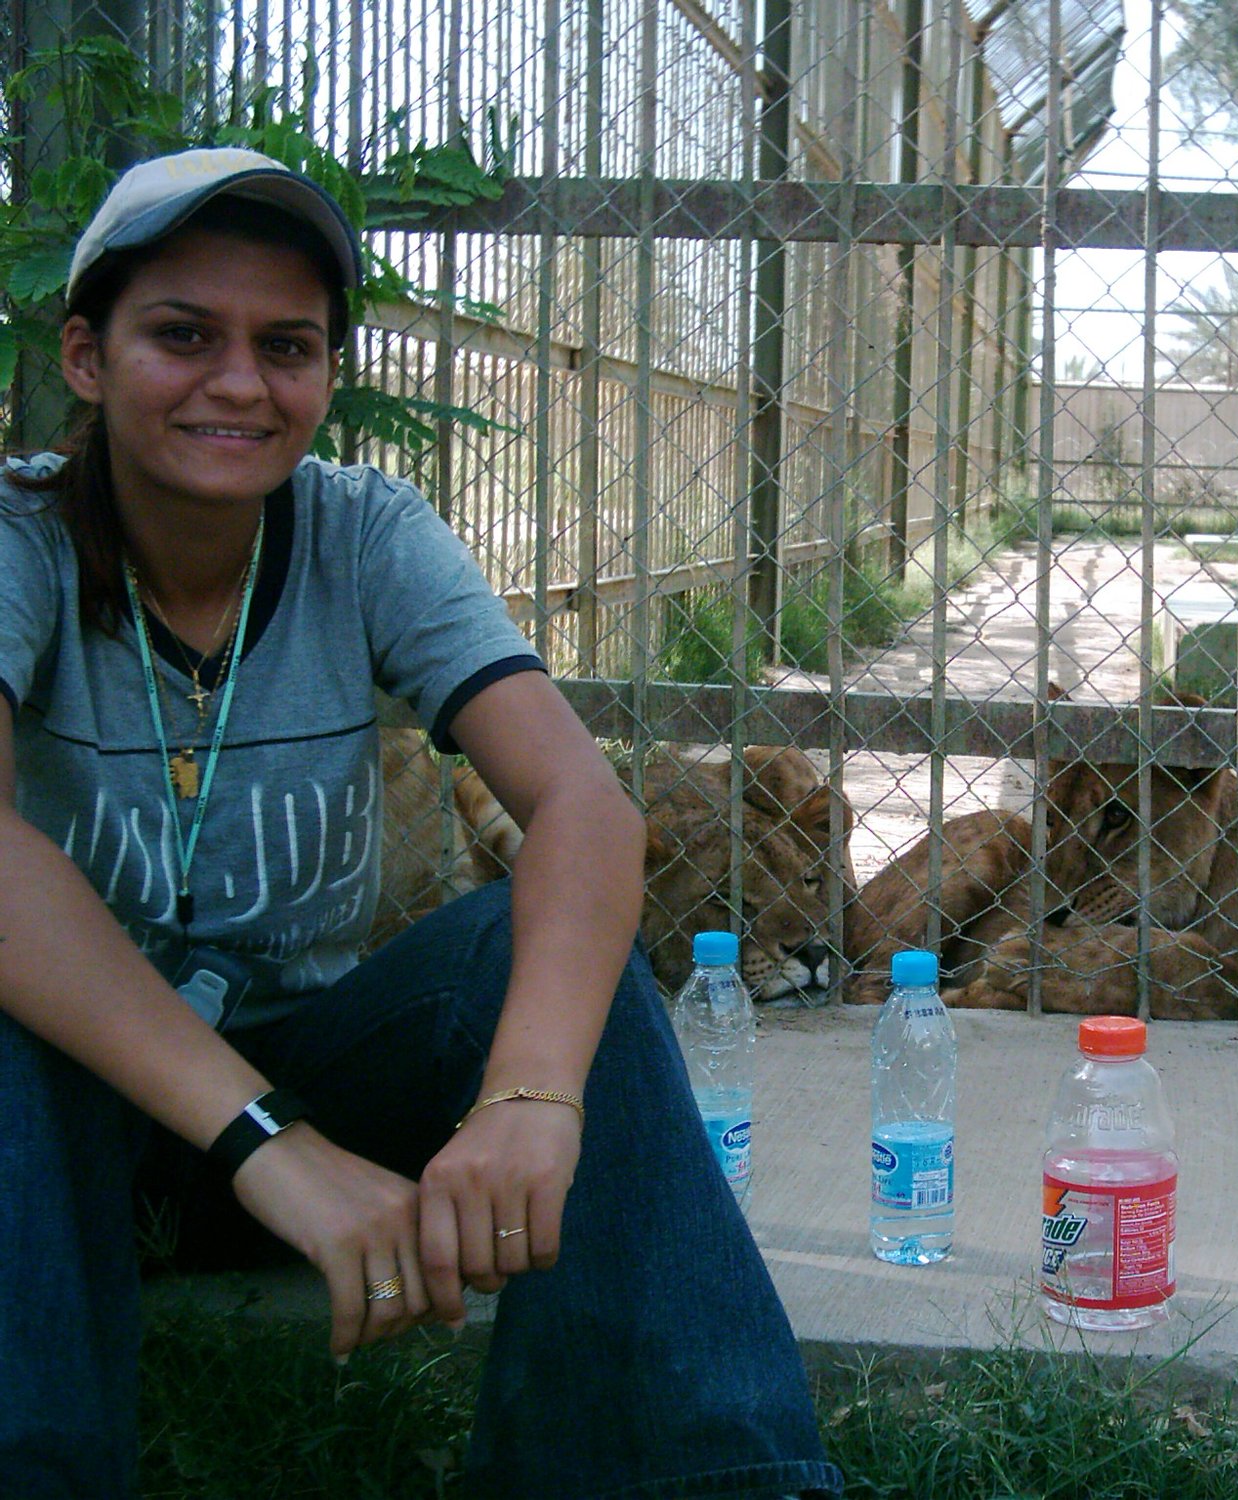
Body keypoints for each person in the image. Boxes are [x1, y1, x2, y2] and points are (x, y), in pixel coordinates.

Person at [0, 146, 841, 1500]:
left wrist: (531, 1097)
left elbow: (582, 804)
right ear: (87, 359)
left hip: (318, 1082)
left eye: (287, 345)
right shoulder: (20, 535)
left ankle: (698, 1479)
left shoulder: (359, 532)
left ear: (327, 377)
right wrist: (269, 1146)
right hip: (64, 1119)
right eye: (181, 335)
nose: (237, 381)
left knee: (551, 964)